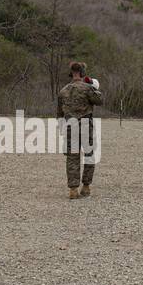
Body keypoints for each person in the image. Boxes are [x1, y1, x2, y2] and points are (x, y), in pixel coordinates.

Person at [57, 61, 102, 199]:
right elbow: (99, 101)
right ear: (82, 73)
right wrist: (94, 86)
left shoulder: (63, 91)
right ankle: (86, 187)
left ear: (71, 73)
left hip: (70, 126)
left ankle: (73, 189)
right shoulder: (87, 88)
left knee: (72, 157)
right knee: (89, 155)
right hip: (85, 125)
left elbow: (59, 113)